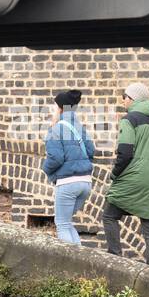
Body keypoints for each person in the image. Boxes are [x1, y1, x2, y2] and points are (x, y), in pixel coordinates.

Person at [103, 82, 149, 266]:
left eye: (124, 97)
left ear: (131, 99)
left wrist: (115, 174)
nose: (123, 101)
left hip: (133, 176)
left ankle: (115, 257)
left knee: (109, 214)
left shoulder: (129, 119)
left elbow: (124, 152)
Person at [42, 89, 94, 245]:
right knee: (66, 223)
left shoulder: (56, 129)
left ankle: (71, 265)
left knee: (62, 225)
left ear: (61, 108)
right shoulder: (79, 127)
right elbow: (91, 151)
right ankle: (80, 260)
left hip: (67, 183)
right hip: (85, 183)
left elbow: (56, 158)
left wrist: (45, 168)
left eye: (54, 107)